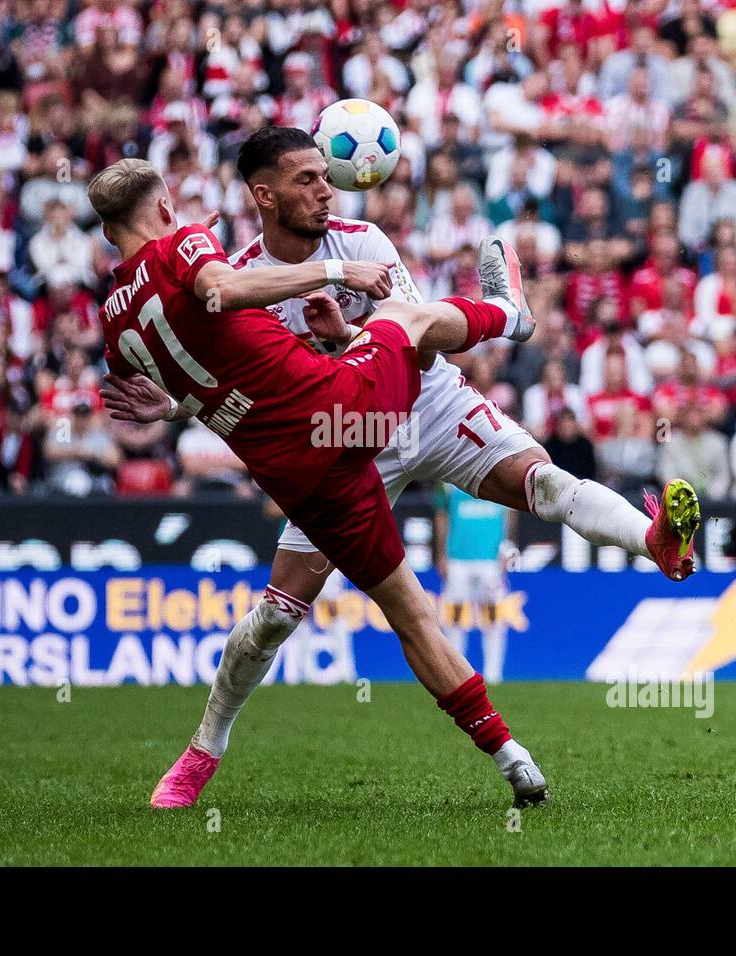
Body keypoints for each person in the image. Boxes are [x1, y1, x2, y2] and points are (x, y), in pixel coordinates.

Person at [103, 130, 704, 809]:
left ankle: (650, 540)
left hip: (422, 403)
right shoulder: (240, 274)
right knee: (276, 617)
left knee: (546, 483)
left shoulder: (362, 243)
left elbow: (416, 345)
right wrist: (174, 402)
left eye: (326, 175)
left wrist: (344, 337)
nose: (326, 188)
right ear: (264, 196)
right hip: (332, 439)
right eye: (306, 180)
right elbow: (235, 386)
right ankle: (201, 751)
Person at [434, 482, 515, 685]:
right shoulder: (447, 480)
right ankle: (456, 673)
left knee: (493, 615)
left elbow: (511, 512)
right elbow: (441, 516)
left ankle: (494, 673)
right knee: (455, 616)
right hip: (457, 558)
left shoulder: (498, 473)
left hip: (491, 557)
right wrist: (441, 553)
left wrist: (507, 548)